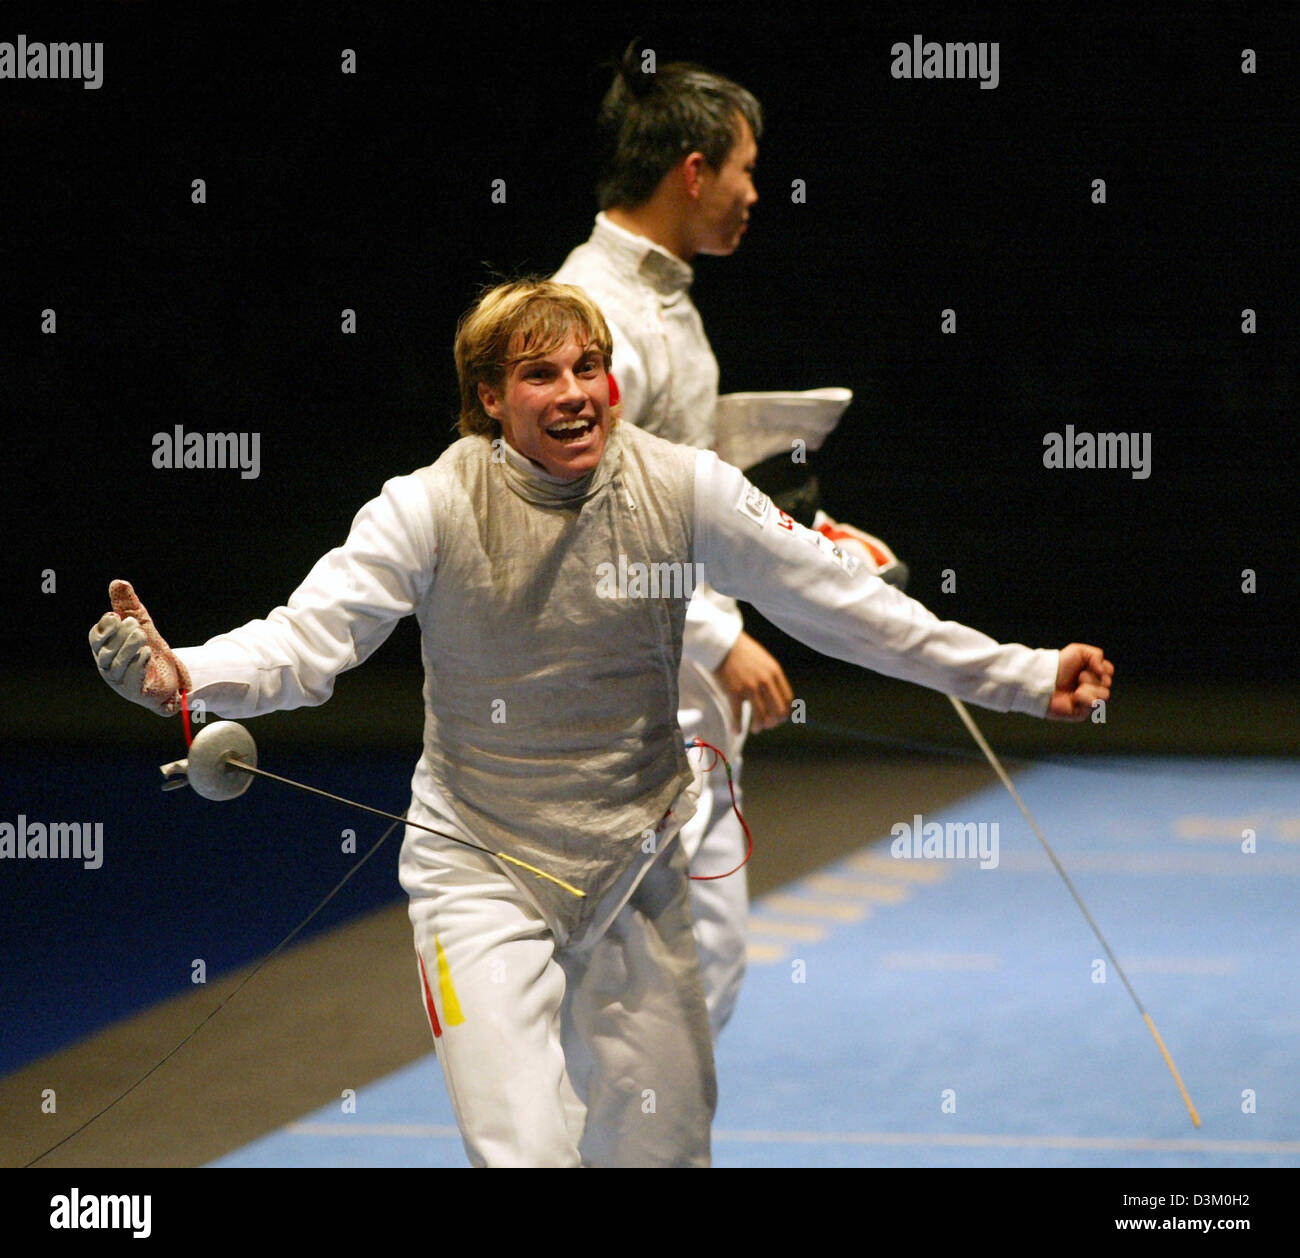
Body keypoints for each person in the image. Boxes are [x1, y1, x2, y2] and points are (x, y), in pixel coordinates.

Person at [89, 279, 1112, 1168]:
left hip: (640, 861)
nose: (575, 393)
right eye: (541, 375)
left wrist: (1024, 675)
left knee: (660, 1147)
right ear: (488, 399)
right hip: (477, 868)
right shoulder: (428, 506)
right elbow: (307, 641)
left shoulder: (679, 485)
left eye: (590, 369)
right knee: (523, 1147)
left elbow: (846, 607)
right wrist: (185, 677)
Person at [553, 48, 906, 1036]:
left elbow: (680, 487)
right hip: (627, 681)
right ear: (694, 171)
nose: (758, 191)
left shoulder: (663, 300)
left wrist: (799, 534)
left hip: (674, 677)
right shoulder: (601, 320)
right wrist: (718, 634)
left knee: (693, 974)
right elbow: (584, 518)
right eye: (746, 168)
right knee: (654, 983)